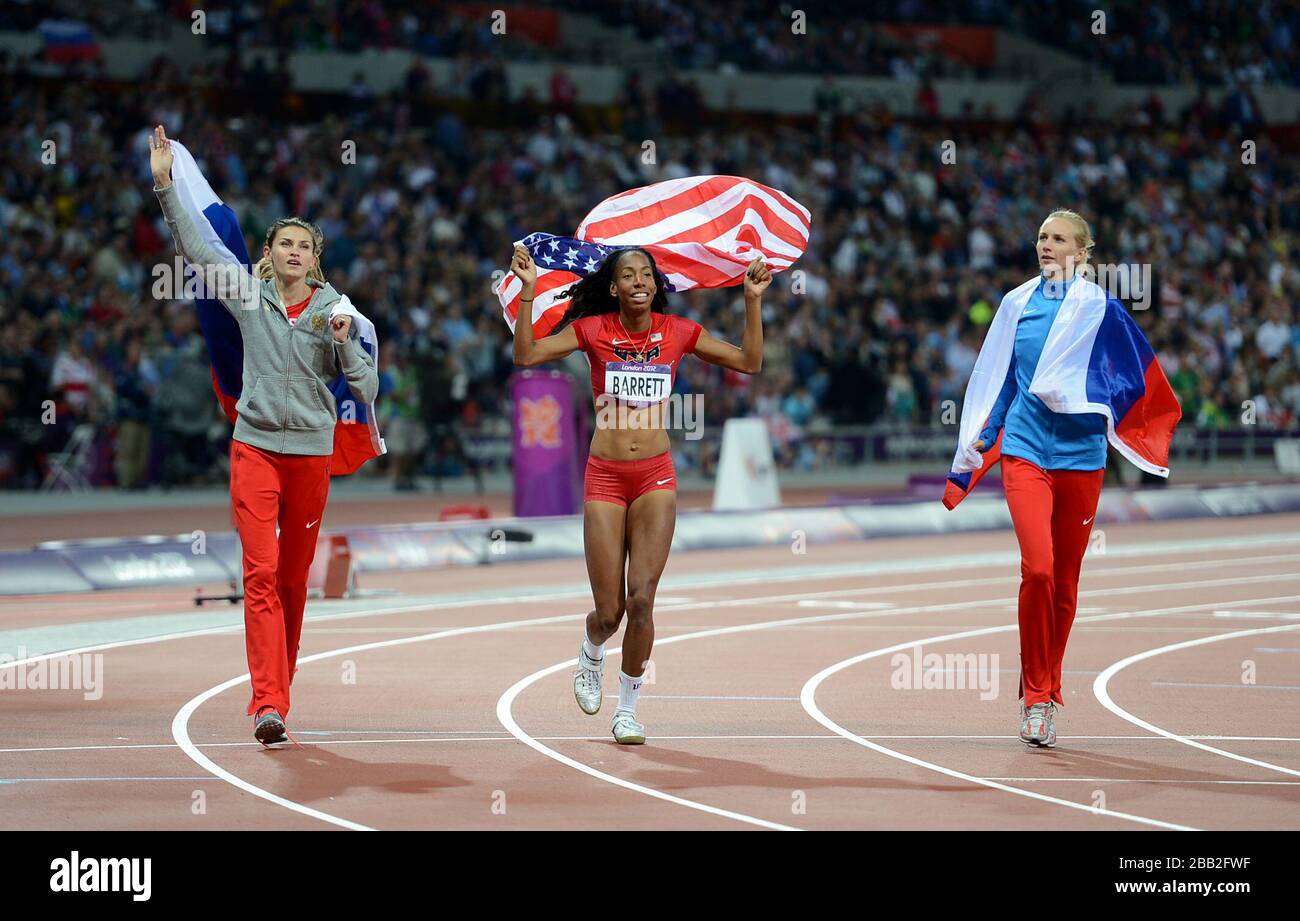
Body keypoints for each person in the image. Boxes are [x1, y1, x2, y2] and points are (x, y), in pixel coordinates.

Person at [149, 125, 378, 746]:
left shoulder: (341, 313)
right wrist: (167, 187)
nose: (294, 252)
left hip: (309, 457)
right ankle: (267, 704)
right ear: (270, 255)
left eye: (304, 245)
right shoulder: (249, 298)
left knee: (293, 581)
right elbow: (198, 250)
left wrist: (345, 347)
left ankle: (282, 687)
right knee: (259, 574)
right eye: (284, 244)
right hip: (254, 449)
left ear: (316, 257)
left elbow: (369, 388)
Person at [510, 243, 770, 744]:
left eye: (645, 274)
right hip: (605, 476)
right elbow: (526, 355)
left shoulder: (679, 332)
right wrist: (526, 294)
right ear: (613, 287)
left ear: (655, 285)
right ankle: (591, 649)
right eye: (627, 274)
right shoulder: (592, 330)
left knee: (643, 601)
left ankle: (627, 710)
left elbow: (749, 362)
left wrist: (752, 300)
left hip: (655, 476)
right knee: (610, 613)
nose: (638, 281)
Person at [954, 210, 1177, 748]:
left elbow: (1126, 374)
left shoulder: (1100, 310)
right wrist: (989, 429)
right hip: (1026, 451)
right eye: (1041, 237)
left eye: (1058, 239)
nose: (1046, 246)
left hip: (1081, 456)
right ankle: (1034, 697)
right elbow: (1008, 378)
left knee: (1066, 585)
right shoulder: (1016, 304)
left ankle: (1050, 686)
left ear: (1081, 252)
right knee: (1039, 569)